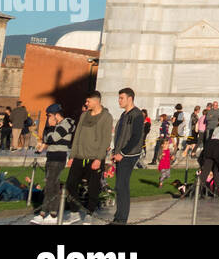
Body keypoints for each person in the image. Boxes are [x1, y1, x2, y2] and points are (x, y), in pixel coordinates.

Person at [66, 91, 114, 222]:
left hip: (95, 157)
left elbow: (106, 139)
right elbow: (77, 136)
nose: (86, 104)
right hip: (79, 156)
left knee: (93, 188)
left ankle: (89, 213)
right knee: (70, 184)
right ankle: (74, 211)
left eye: (88, 101)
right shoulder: (84, 115)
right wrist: (72, 155)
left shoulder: (106, 117)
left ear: (96, 101)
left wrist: (99, 158)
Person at [32, 103, 74, 223]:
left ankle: (46, 213)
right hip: (51, 156)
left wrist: (50, 128)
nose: (48, 118)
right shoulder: (55, 125)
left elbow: (52, 138)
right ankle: (50, 212)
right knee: (52, 185)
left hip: (58, 158)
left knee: (50, 186)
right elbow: (46, 138)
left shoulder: (66, 123)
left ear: (56, 114)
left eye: (50, 115)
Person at [110, 88, 144, 224]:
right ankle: (118, 217)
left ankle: (121, 219)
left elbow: (136, 137)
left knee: (122, 185)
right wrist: (115, 151)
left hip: (129, 155)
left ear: (130, 98)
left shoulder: (137, 115)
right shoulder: (124, 115)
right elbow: (120, 135)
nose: (119, 101)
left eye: (121, 98)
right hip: (120, 154)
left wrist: (122, 153)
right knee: (119, 186)